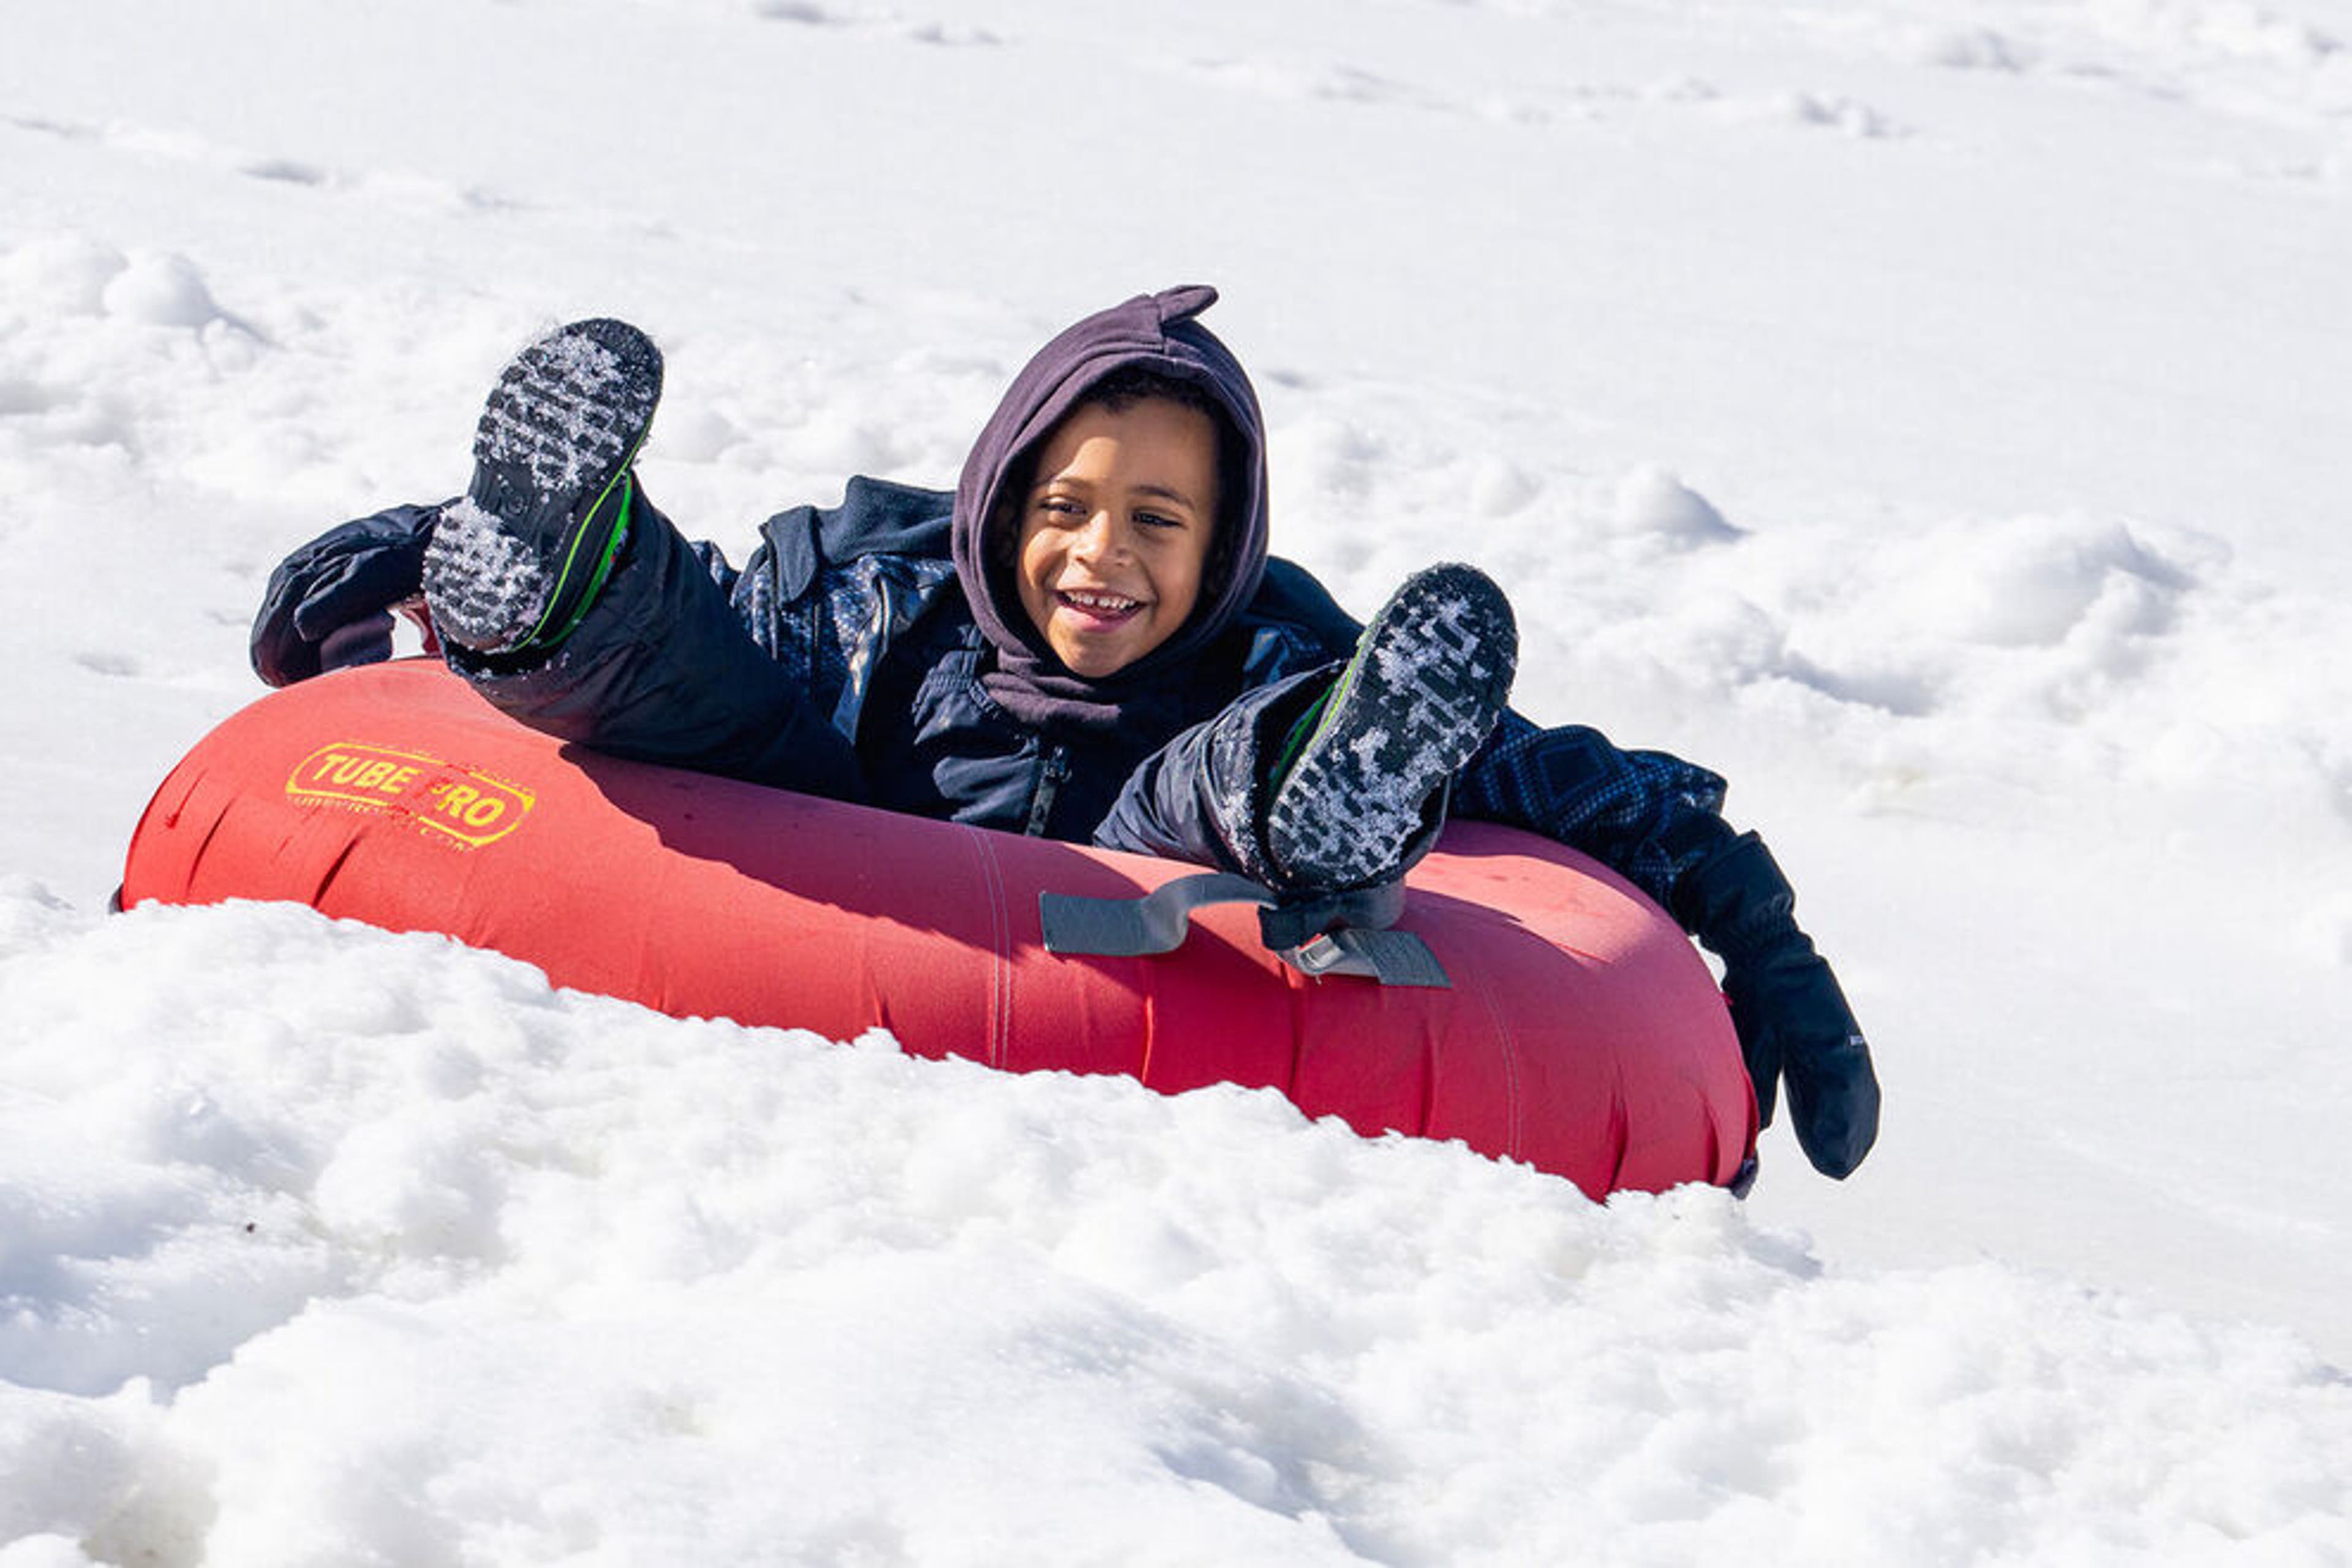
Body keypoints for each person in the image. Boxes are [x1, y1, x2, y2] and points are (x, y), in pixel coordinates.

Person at [251, 285, 1880, 1179]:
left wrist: (1739, 906)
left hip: (1148, 867)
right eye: (1068, 505)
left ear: (1225, 538)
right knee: (700, 684)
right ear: (1000, 497)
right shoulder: (880, 582)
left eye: (1162, 520)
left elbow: (1550, 780)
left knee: (1199, 786)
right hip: (814, 794)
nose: (1105, 557)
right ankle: (548, 569)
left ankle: (1324, 787)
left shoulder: (1268, 641)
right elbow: (723, 634)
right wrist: (432, 552)